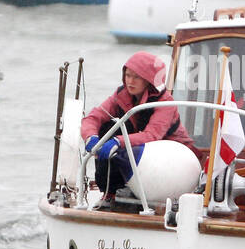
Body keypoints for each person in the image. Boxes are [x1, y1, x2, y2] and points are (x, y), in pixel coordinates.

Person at [81, 51, 197, 204]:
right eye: (128, 75)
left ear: (149, 80)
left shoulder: (165, 103)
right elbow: (93, 117)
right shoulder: (121, 95)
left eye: (136, 77)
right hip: (142, 155)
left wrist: (117, 142)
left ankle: (131, 188)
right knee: (107, 128)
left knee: (116, 137)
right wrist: (91, 137)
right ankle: (110, 191)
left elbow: (152, 135)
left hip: (174, 159)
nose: (130, 81)